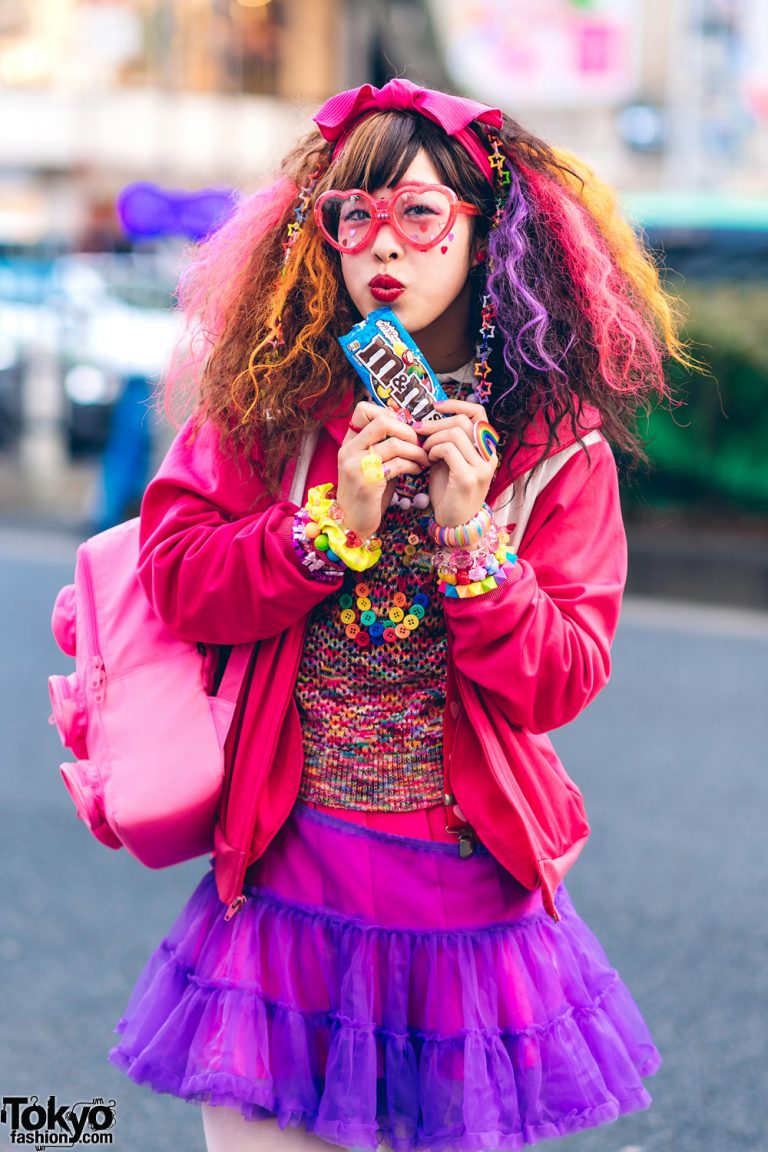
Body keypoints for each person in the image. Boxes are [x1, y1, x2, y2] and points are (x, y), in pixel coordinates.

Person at [108, 79, 689, 1152]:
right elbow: (178, 577)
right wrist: (327, 528)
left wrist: (473, 542)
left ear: (488, 231)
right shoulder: (275, 397)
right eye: (353, 214)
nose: (383, 244)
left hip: (466, 895)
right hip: (288, 869)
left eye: (419, 213)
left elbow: (562, 677)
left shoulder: (555, 442)